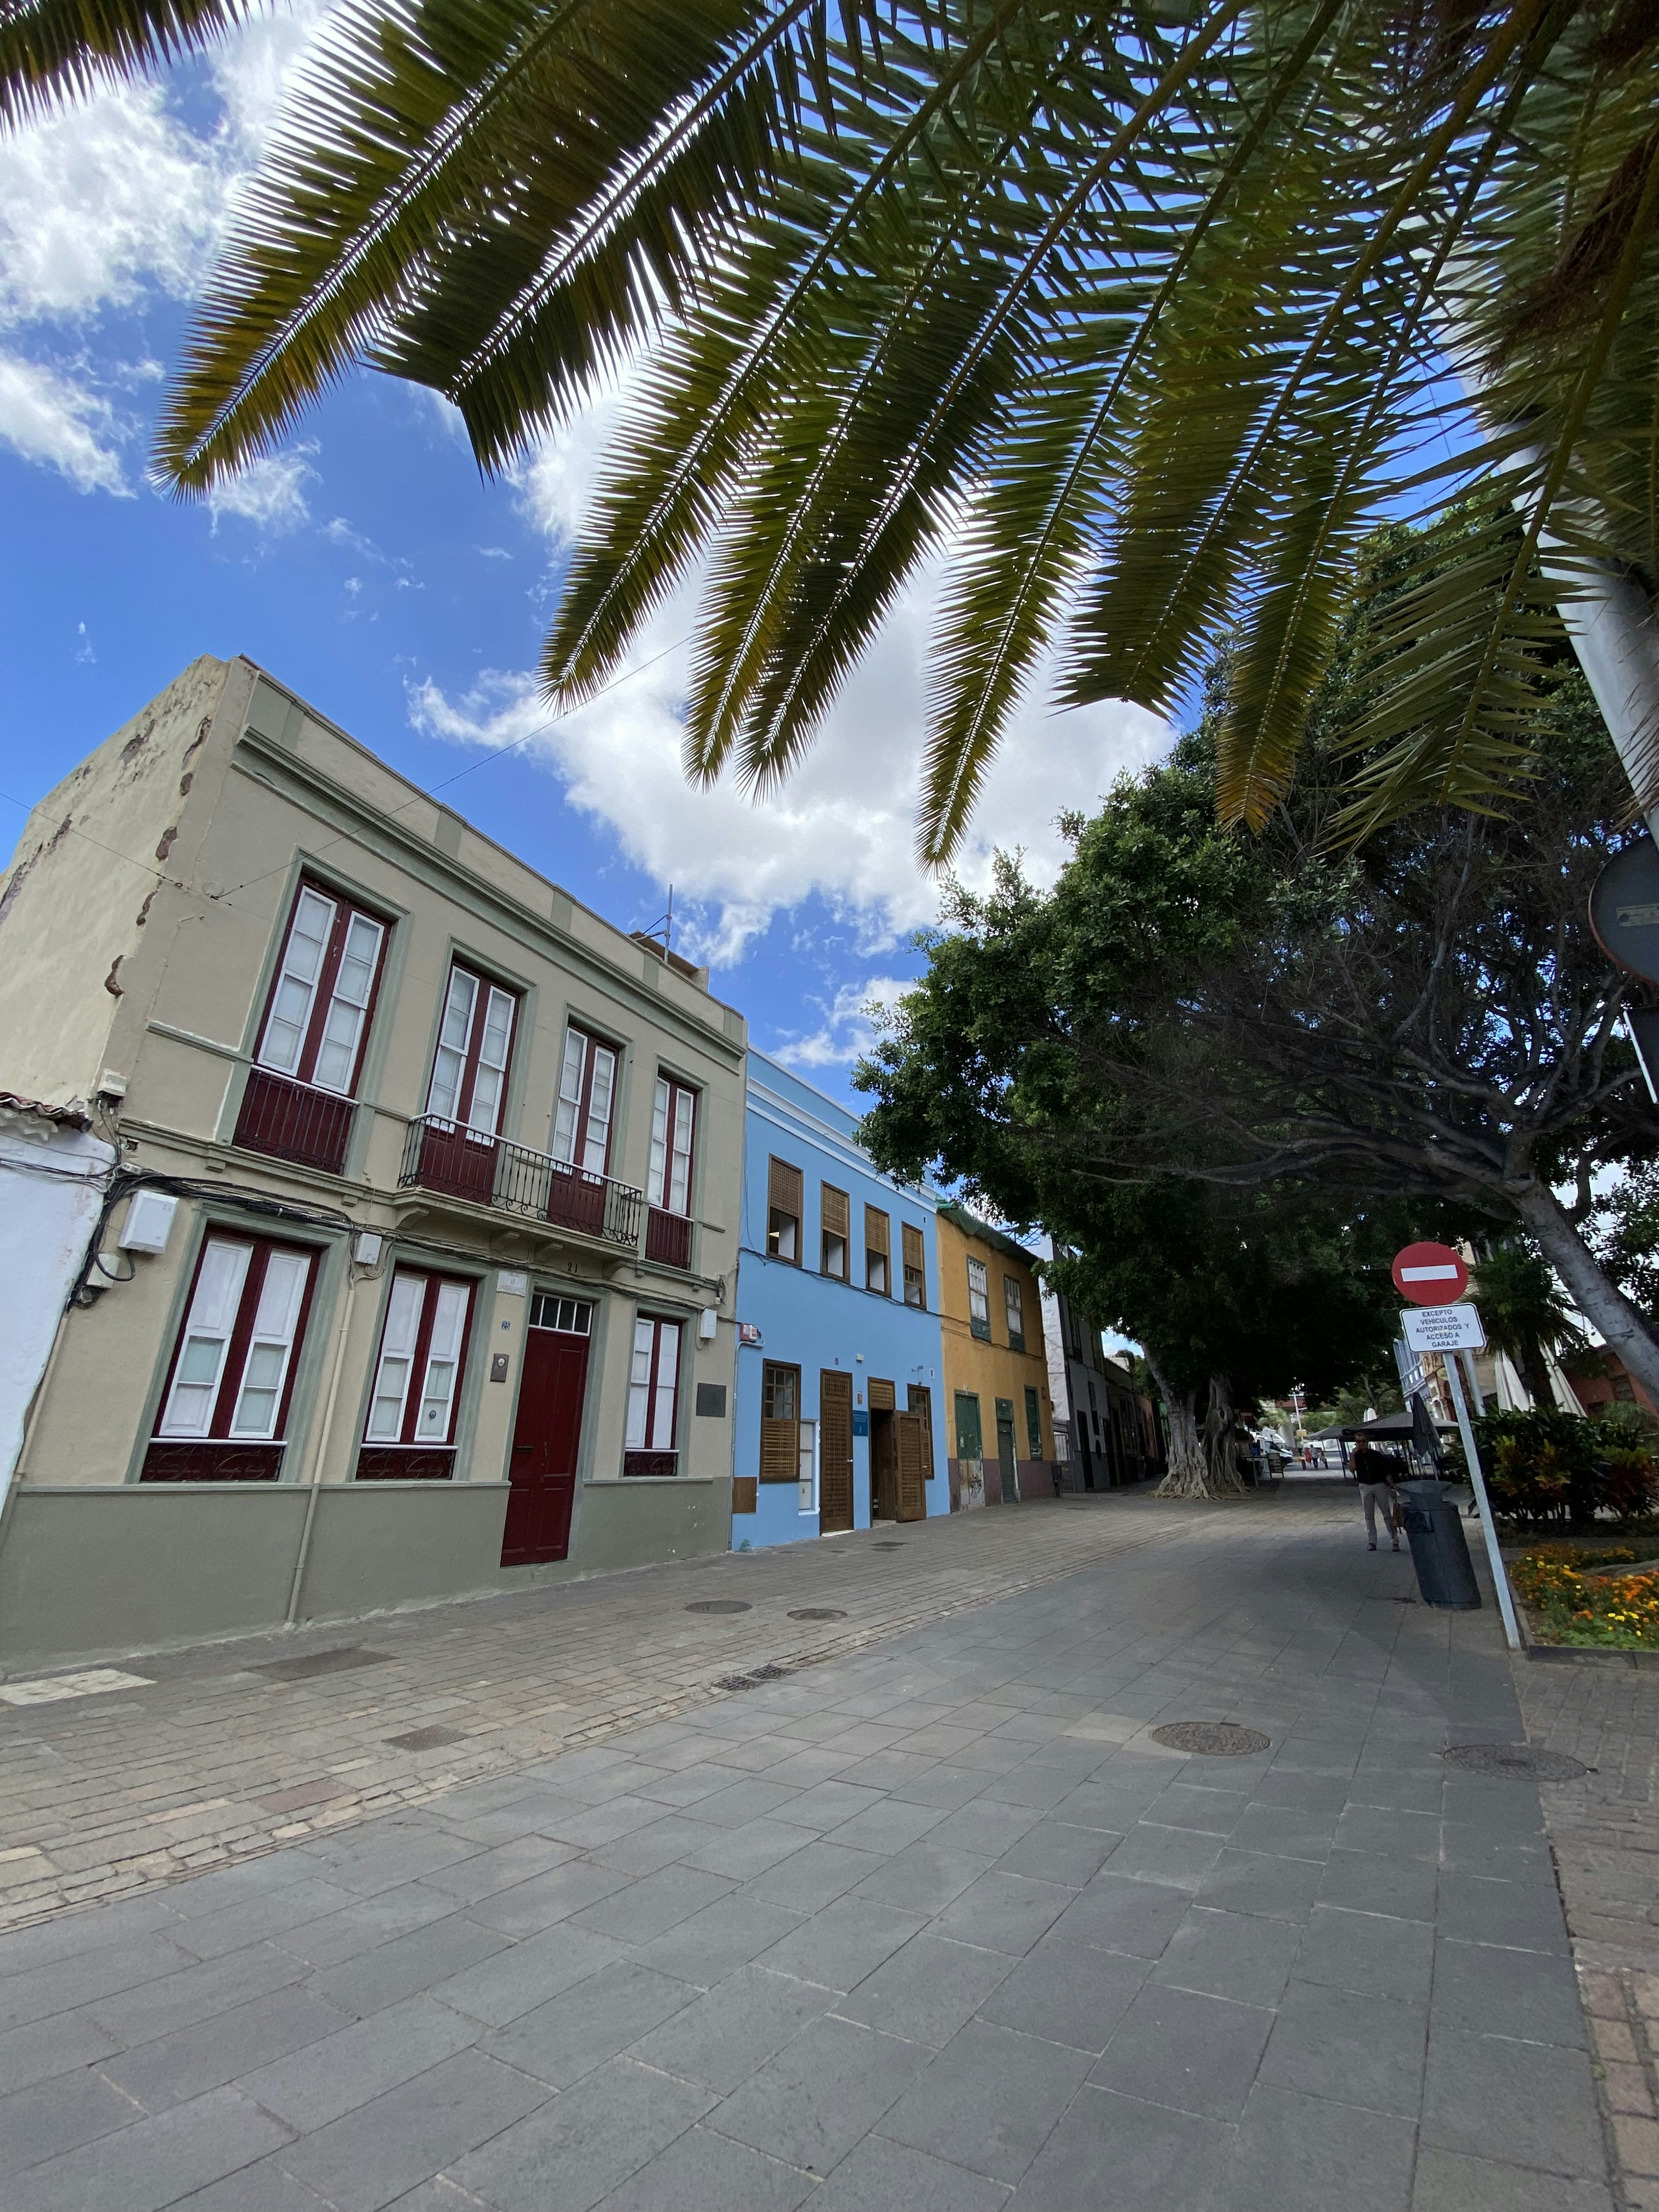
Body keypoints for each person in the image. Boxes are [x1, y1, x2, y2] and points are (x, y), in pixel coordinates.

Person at [1352, 1441, 1402, 1551]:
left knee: (1387, 1514)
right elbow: (1352, 1469)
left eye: (1364, 1441)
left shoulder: (1376, 1455)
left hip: (1379, 1485)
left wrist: (1391, 1486)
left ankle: (1394, 1540)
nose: (1362, 1444)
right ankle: (1372, 1541)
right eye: (1359, 1442)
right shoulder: (1357, 1456)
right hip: (1365, 1486)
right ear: (1356, 1444)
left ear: (1367, 1442)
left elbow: (1386, 1471)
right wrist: (1353, 1455)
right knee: (1369, 1515)